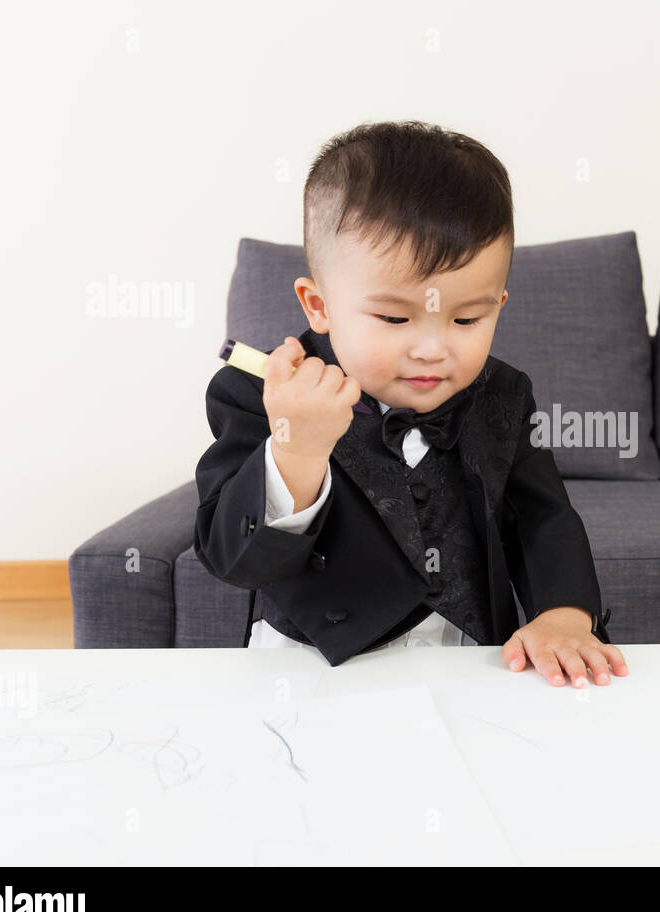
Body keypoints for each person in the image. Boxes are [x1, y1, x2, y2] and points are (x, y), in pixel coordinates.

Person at [194, 120, 627, 689]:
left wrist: (564, 615)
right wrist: (296, 450)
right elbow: (235, 560)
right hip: (306, 668)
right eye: (395, 318)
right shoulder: (259, 396)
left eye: (467, 318)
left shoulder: (503, 394)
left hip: (472, 662)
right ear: (319, 305)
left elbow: (542, 518)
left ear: (499, 303)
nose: (432, 349)